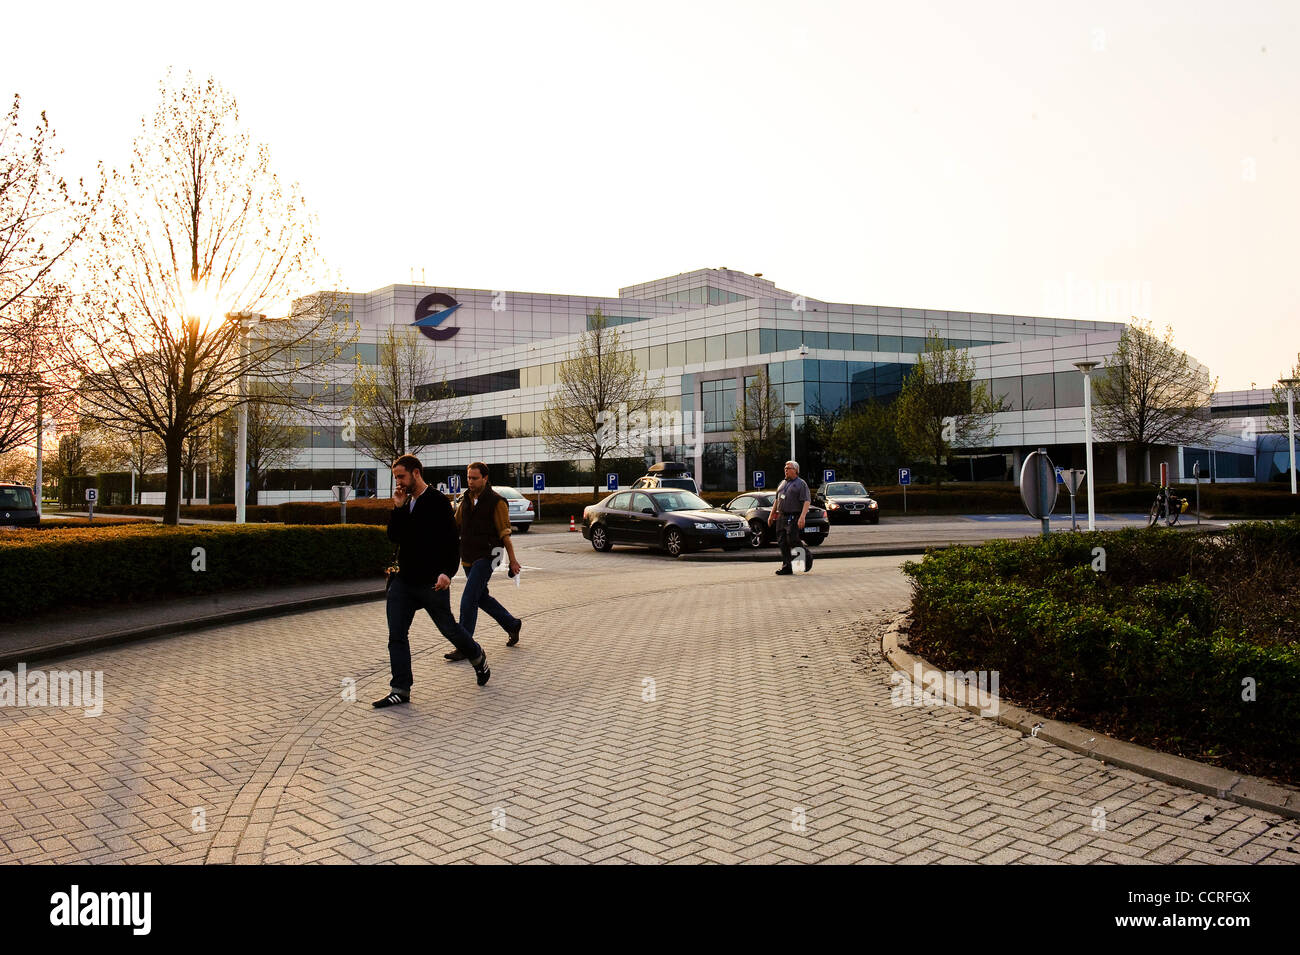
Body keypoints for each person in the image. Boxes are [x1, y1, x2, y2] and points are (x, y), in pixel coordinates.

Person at [374, 454, 489, 708]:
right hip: (403, 581)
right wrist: (398, 508)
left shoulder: (437, 502)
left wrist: (447, 572)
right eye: (395, 478)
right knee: (396, 635)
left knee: (449, 629)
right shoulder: (403, 502)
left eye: (401, 476)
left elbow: (451, 543)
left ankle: (477, 656)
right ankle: (400, 689)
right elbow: (394, 537)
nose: (398, 483)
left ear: (416, 473)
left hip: (431, 582)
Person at [444, 461, 523, 662]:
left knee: (468, 598)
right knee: (480, 597)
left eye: (474, 478)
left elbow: (505, 534)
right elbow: (454, 525)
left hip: (489, 555)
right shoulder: (466, 500)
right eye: (468, 478)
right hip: (468, 556)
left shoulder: (497, 502)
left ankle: (465, 646)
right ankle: (512, 624)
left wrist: (513, 561)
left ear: (485, 478)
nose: (470, 482)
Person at [768, 460, 812, 575]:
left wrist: (802, 517)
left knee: (792, 540)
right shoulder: (782, 483)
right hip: (781, 516)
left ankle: (806, 557)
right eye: (785, 468)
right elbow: (777, 500)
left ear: (796, 470)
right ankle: (787, 567)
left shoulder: (801, 484)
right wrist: (772, 514)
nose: (786, 470)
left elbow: (806, 501)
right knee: (782, 542)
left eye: (788, 468)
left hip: (794, 515)